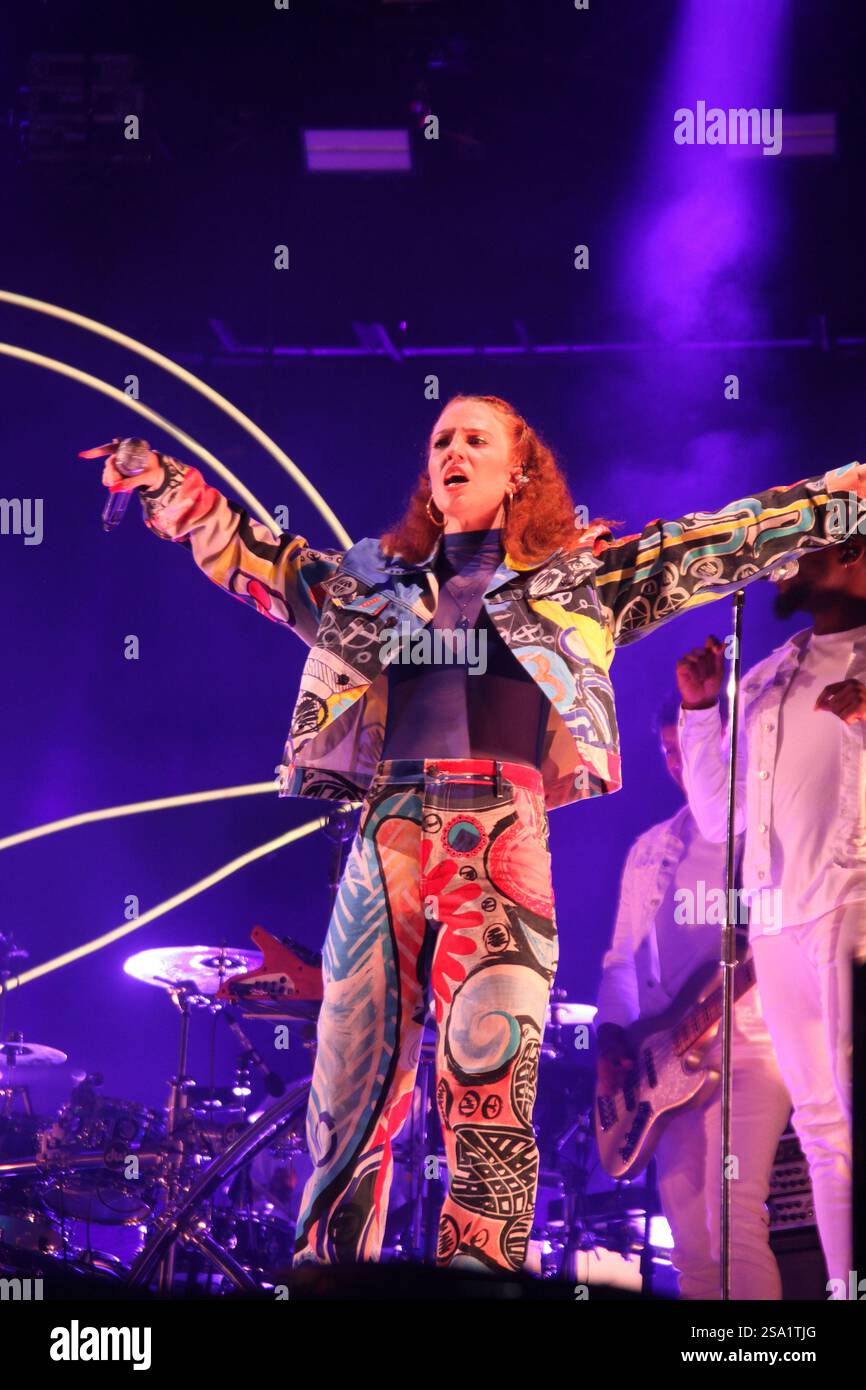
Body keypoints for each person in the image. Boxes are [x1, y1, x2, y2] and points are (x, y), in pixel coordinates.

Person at [86, 397, 866, 1271]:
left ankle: (476, 1289)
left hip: (503, 833)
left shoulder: (579, 574)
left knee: (489, 1091)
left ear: (518, 472)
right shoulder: (375, 583)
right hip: (388, 834)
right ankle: (327, 1285)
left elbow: (703, 546)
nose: (452, 450)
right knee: (348, 1093)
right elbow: (270, 564)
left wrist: (838, 502)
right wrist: (168, 487)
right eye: (440, 440)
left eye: (474, 439)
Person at [675, 534, 866, 1291]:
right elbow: (722, 818)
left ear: (857, 554)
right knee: (822, 1127)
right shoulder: (767, 676)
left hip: (854, 903)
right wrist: (698, 713)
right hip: (777, 916)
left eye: (813, 546)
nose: (793, 557)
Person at [595, 696, 790, 1299]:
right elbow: (621, 959)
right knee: (692, 1246)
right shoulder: (652, 849)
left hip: (757, 1048)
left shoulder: (772, 836)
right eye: (671, 754)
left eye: (694, 747)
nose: (684, 765)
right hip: (669, 1063)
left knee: (733, 1218)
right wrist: (609, 1041)